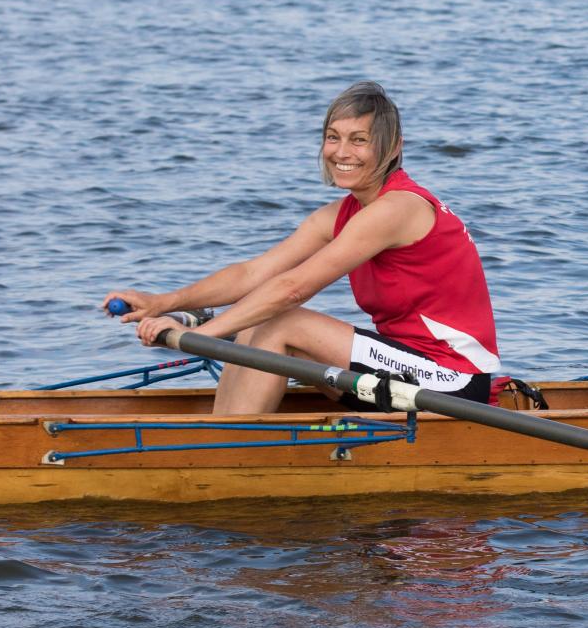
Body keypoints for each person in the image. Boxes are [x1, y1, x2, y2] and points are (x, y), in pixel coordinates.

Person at [106, 81, 501, 413]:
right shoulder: (341, 214)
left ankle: (226, 452)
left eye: (359, 140)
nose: (341, 153)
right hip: (403, 365)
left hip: (453, 382)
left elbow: (293, 289)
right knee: (257, 320)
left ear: (393, 147)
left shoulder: (398, 209)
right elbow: (253, 273)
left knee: (281, 319)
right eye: (333, 137)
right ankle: (221, 438)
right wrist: (163, 302)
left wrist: (203, 335)